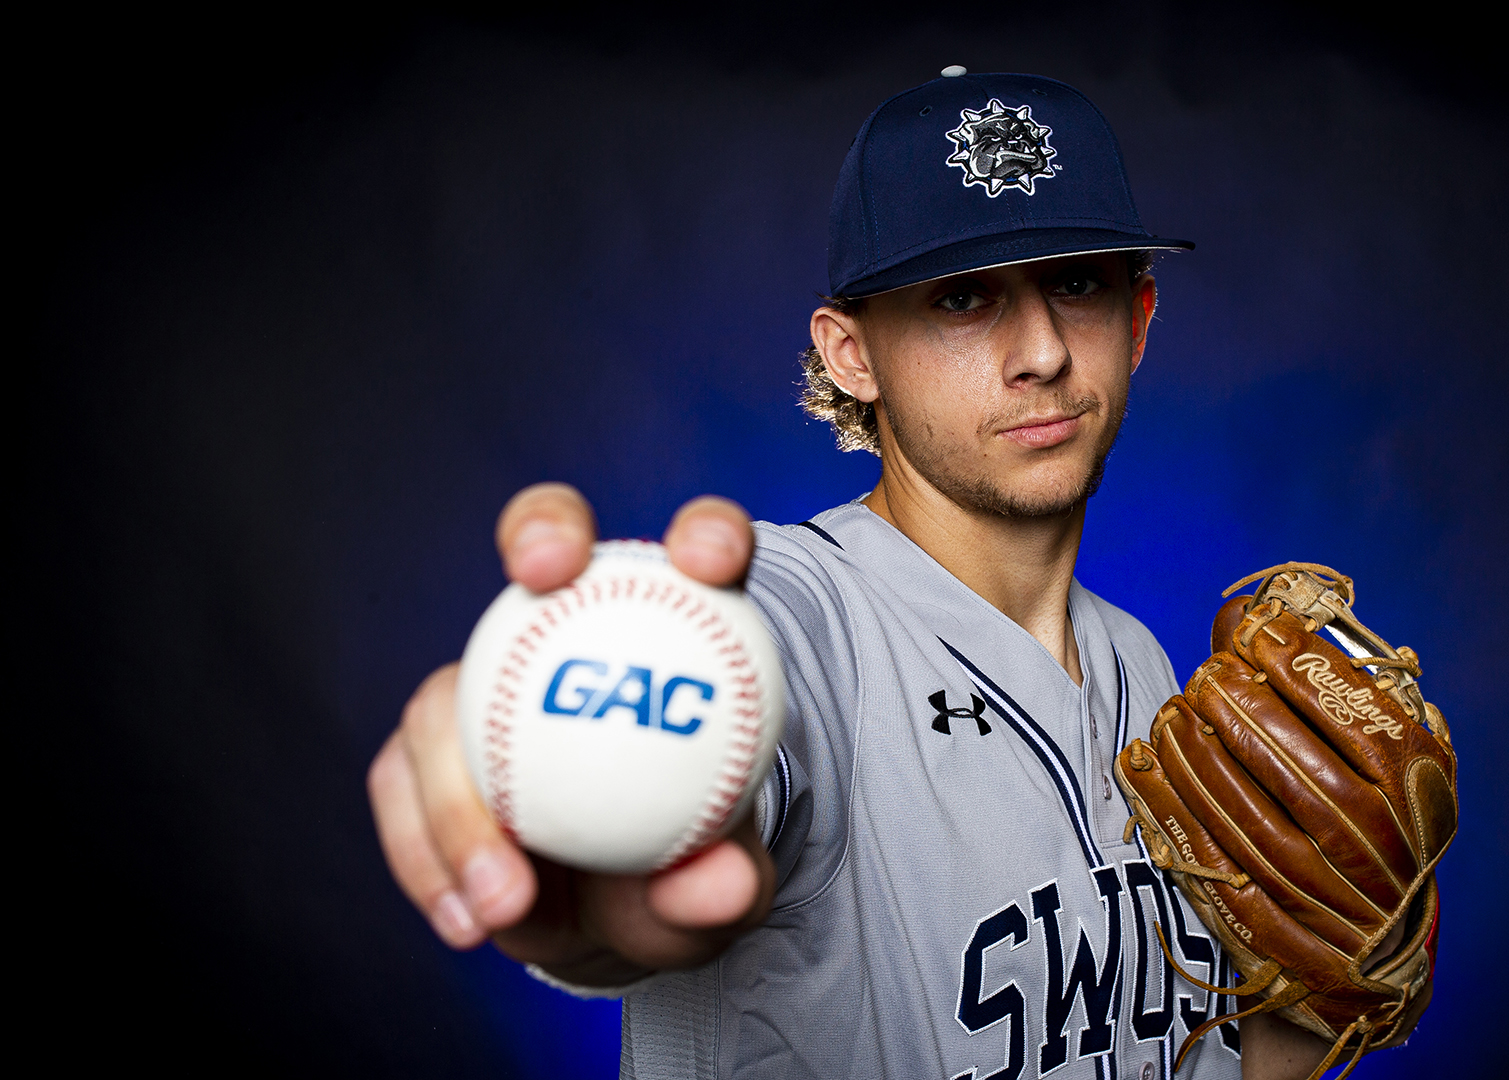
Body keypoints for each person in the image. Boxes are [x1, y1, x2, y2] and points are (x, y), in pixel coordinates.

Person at [368, 70, 1431, 1079]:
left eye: (1075, 284)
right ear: (851, 355)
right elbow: (726, 739)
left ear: (1139, 321)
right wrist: (590, 843)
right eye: (962, 299)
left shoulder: (1148, 675)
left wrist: (1317, 1006)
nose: (1044, 352)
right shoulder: (793, 630)